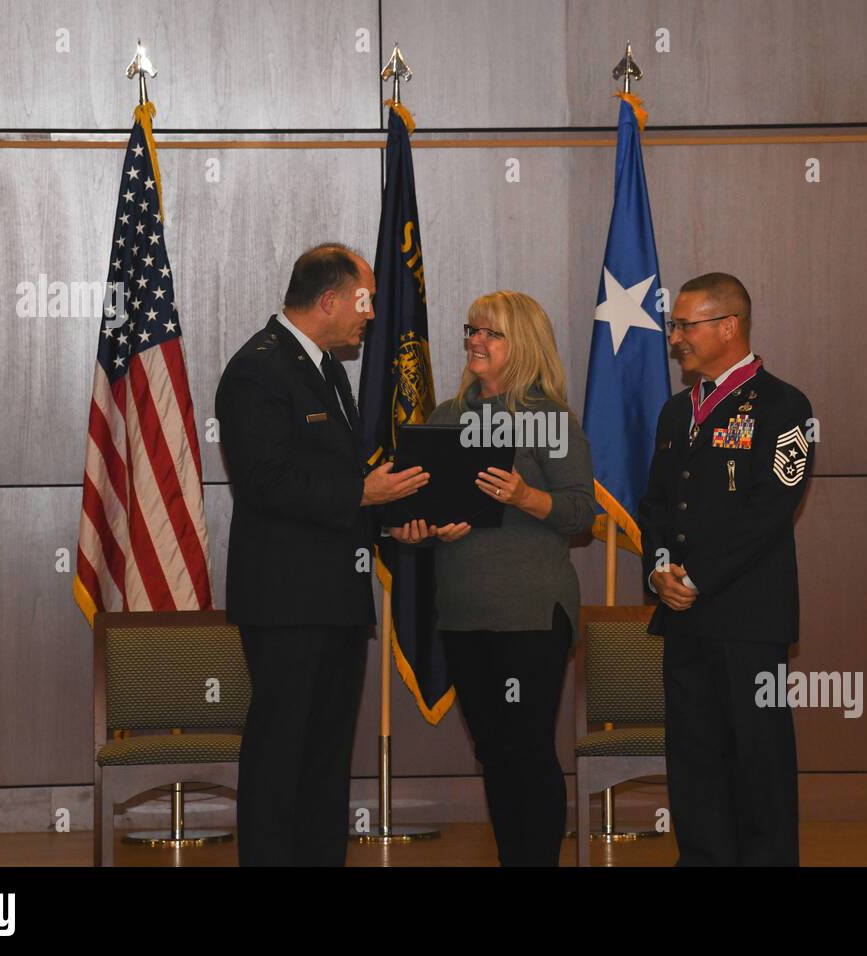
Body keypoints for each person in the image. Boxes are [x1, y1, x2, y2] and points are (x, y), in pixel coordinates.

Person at [216, 242, 427, 866]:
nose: (370, 316)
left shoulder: (328, 367)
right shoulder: (257, 369)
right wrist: (364, 490)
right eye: (363, 301)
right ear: (329, 300)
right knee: (282, 752)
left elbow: (335, 481)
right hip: (285, 600)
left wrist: (394, 517)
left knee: (327, 754)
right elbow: (265, 481)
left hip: (336, 595)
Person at [390, 290, 595, 866]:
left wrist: (526, 496)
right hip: (463, 612)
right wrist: (422, 530)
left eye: (491, 333)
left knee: (528, 749)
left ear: (522, 344)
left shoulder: (551, 419)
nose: (475, 341)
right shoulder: (445, 418)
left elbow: (582, 514)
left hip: (531, 614)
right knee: (494, 752)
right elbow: (426, 507)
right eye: (472, 330)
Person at [639, 272, 813, 866]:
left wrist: (698, 577)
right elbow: (656, 505)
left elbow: (768, 511)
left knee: (758, 762)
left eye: (686, 325)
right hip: (683, 621)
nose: (676, 337)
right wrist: (661, 569)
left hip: (746, 620)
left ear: (728, 326)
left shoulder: (784, 406)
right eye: (675, 325)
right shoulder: (674, 412)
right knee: (693, 763)